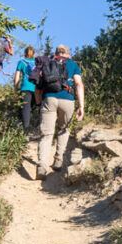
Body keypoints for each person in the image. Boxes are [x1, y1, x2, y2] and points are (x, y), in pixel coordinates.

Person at [35, 44, 84, 178]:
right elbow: (79, 84)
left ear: (56, 53)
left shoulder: (47, 63)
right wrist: (81, 106)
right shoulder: (73, 64)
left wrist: (39, 103)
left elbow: (38, 87)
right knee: (64, 129)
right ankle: (58, 160)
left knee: (46, 134)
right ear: (68, 54)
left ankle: (42, 166)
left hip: (49, 98)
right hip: (67, 100)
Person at [12, 45, 37, 134]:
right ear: (34, 53)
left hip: (25, 87)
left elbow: (17, 77)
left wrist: (15, 89)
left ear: (25, 53)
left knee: (25, 108)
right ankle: (36, 127)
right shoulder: (37, 62)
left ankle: (25, 130)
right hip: (37, 88)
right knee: (34, 107)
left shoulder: (21, 62)